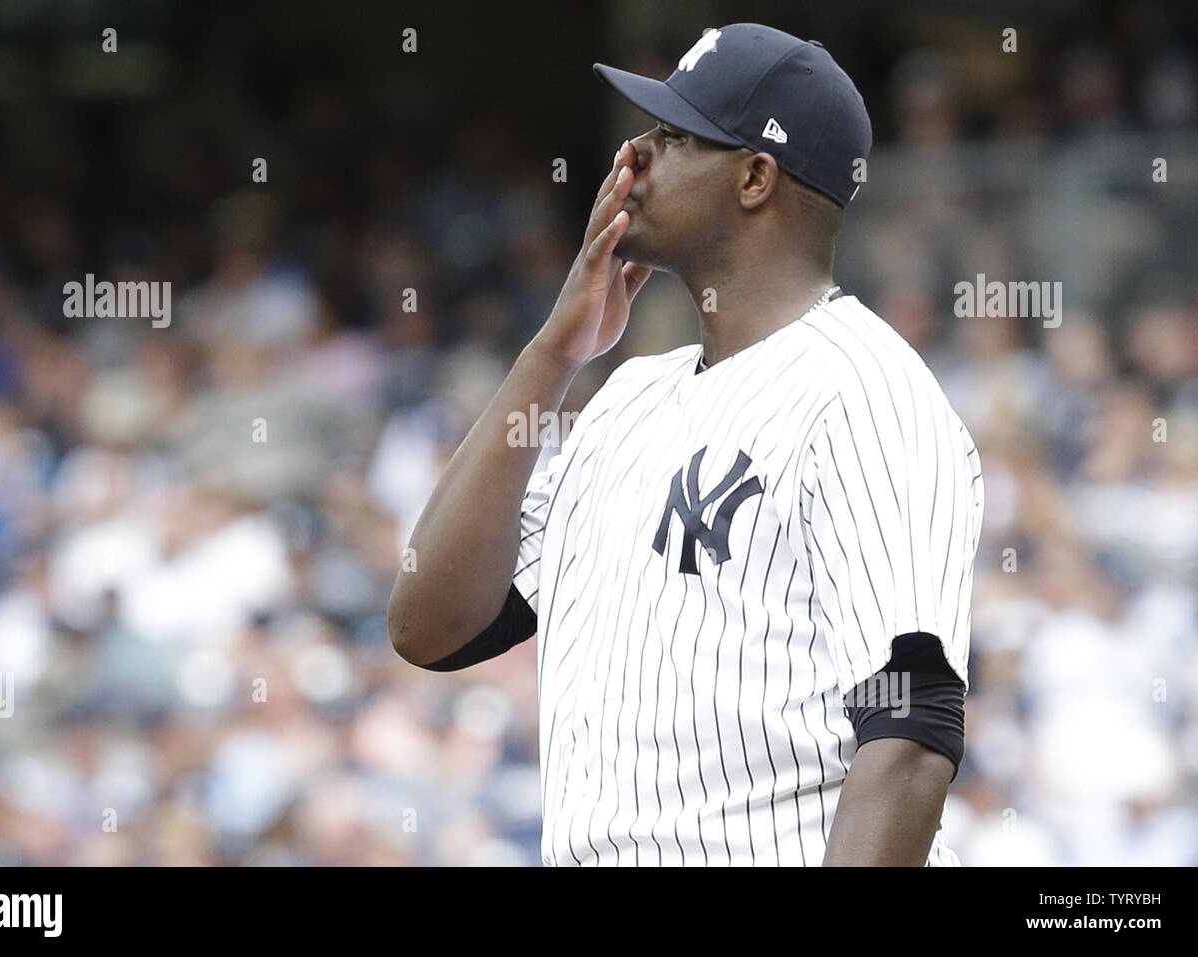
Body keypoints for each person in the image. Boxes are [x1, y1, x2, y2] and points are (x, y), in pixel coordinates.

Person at [389, 23, 984, 866]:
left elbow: (911, 725)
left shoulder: (866, 391)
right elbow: (431, 624)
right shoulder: (629, 397)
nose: (635, 156)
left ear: (753, 177)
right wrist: (553, 352)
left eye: (673, 137)